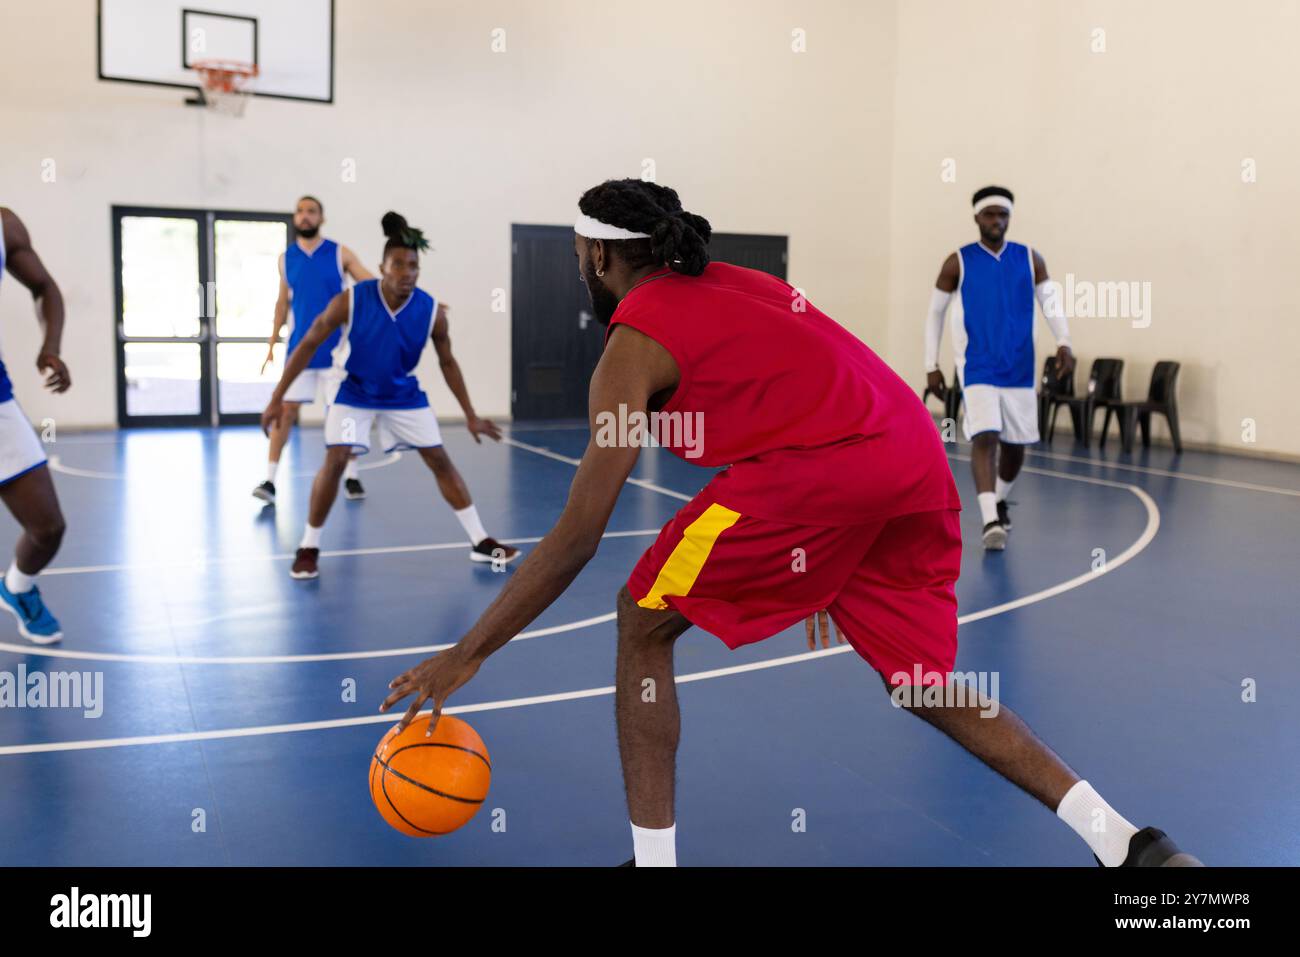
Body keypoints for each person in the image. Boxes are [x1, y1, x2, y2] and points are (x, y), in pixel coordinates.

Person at [380, 179, 1198, 869]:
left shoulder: (629, 346)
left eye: (576, 256)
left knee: (642, 618)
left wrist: (468, 651)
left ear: (599, 256)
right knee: (920, 680)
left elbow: (579, 532)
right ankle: (1128, 842)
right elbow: (807, 384)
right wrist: (817, 553)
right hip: (909, 455)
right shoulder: (740, 284)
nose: (578, 269)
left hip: (831, 468)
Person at [261, 212, 519, 579]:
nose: (406, 272)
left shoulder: (430, 311)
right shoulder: (350, 300)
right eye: (398, 265)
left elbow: (448, 362)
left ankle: (480, 541)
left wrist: (470, 414)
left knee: (440, 459)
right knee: (336, 459)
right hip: (355, 392)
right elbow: (307, 344)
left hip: (403, 395)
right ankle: (308, 546)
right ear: (382, 268)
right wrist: (276, 398)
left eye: (413, 266)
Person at [924, 186, 1075, 550]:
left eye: (1003, 215)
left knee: (1016, 446)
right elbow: (935, 314)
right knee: (985, 437)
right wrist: (931, 363)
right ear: (977, 217)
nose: (997, 221)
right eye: (990, 214)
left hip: (1020, 367)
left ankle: (1000, 498)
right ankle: (991, 520)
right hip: (977, 365)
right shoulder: (957, 262)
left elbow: (1050, 303)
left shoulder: (1030, 259)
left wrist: (1064, 341)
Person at [253, 195, 373, 505]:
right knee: (285, 410)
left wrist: (408, 298)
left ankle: (351, 476)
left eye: (312, 212)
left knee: (341, 413)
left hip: (337, 352)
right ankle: (269, 479)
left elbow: (371, 286)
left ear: (321, 218)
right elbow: (283, 303)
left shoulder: (339, 253)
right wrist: (271, 343)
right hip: (299, 353)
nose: (305, 216)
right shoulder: (285, 259)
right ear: (295, 218)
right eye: (301, 211)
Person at [0, 207, 71, 644]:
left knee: (48, 527)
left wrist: (51, 346)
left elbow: (45, 288)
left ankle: (17, 587)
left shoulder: (5, 224)